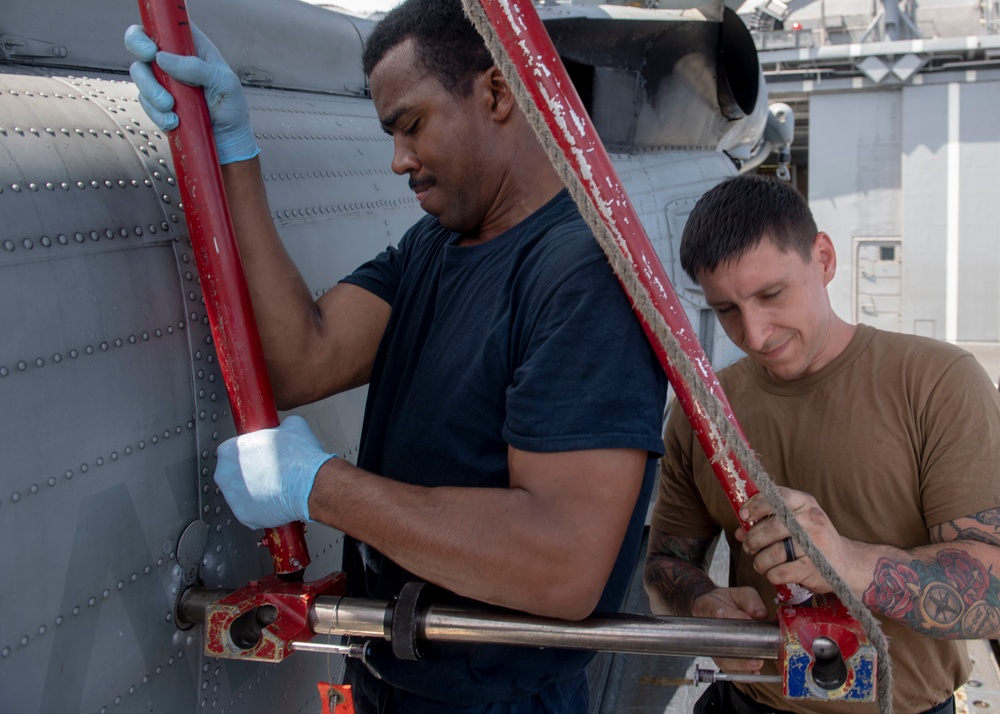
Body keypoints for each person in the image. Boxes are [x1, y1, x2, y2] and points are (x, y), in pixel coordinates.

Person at [125, 0, 668, 712]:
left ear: (497, 93)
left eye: (411, 125)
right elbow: (302, 358)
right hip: (390, 677)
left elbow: (562, 565)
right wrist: (234, 152)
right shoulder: (435, 247)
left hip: (493, 700)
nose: (399, 161)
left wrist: (320, 487)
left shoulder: (583, 278)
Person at [642, 174, 1000, 714]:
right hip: (747, 704)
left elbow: (993, 591)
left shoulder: (937, 382)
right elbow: (664, 563)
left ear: (824, 258)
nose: (755, 333)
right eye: (728, 311)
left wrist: (845, 561)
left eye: (771, 294)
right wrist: (703, 602)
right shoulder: (705, 411)